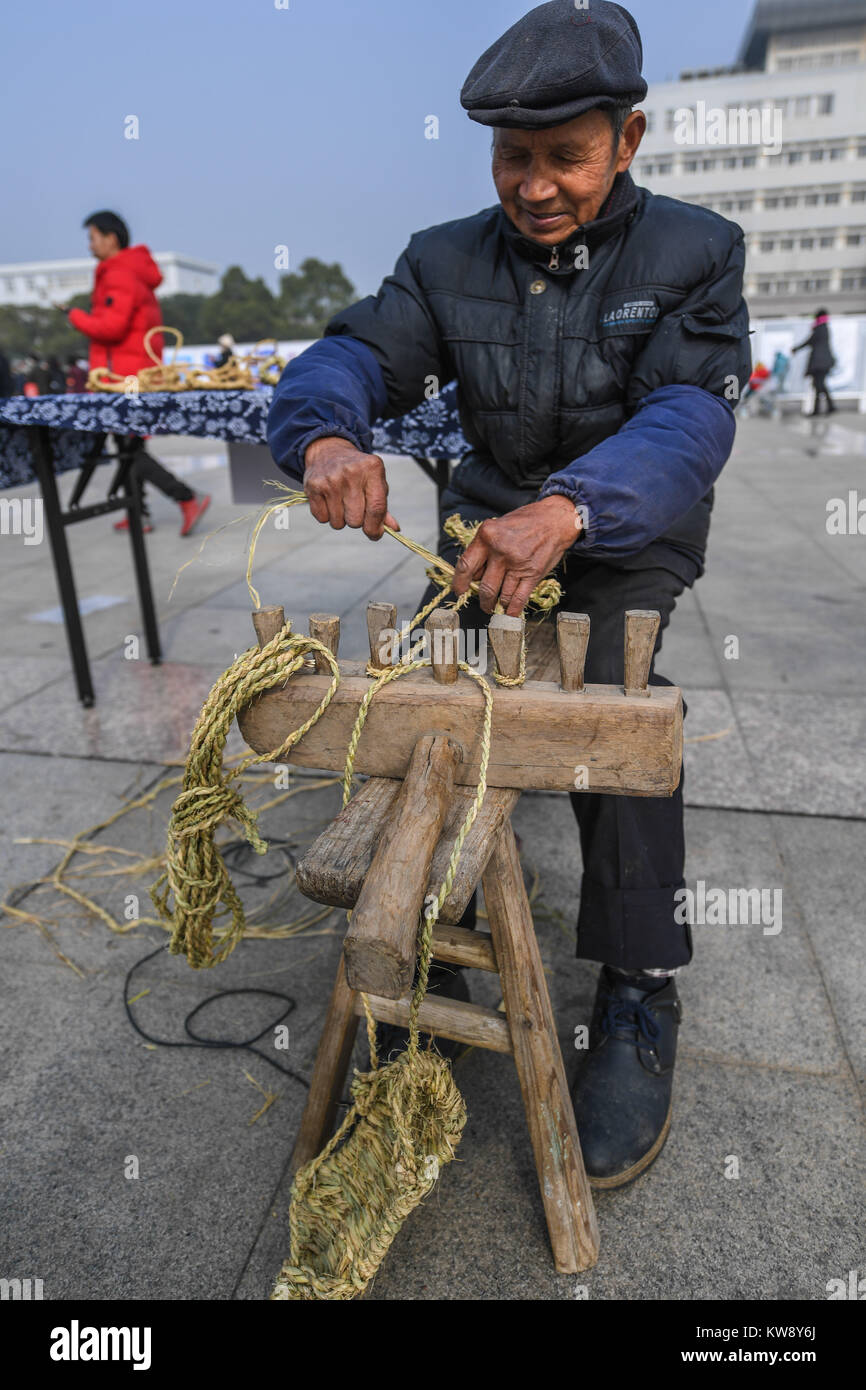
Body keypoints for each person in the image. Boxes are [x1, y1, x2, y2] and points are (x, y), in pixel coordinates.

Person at [267, 0, 750, 1188]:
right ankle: (418, 954)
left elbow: (689, 417)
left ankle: (637, 990)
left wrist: (575, 506)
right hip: (487, 540)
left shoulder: (694, 250)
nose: (534, 187)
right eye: (511, 158)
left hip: (618, 536)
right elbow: (355, 350)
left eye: (565, 158)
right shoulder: (443, 259)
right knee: (433, 707)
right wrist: (327, 431)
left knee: (607, 718)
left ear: (626, 142)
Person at [57, 210, 210, 534]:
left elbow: (111, 328)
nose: (90, 246)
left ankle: (186, 497)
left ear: (111, 238)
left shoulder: (119, 274)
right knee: (129, 445)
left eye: (93, 238)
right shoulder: (132, 271)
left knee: (128, 448)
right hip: (134, 372)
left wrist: (75, 316)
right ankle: (138, 513)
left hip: (122, 376)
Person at [792, 308, 836, 416]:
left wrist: (797, 348)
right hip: (823, 362)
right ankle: (830, 407)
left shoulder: (820, 328)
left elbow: (810, 341)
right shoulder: (824, 328)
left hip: (819, 363)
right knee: (820, 385)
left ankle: (820, 410)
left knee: (818, 386)